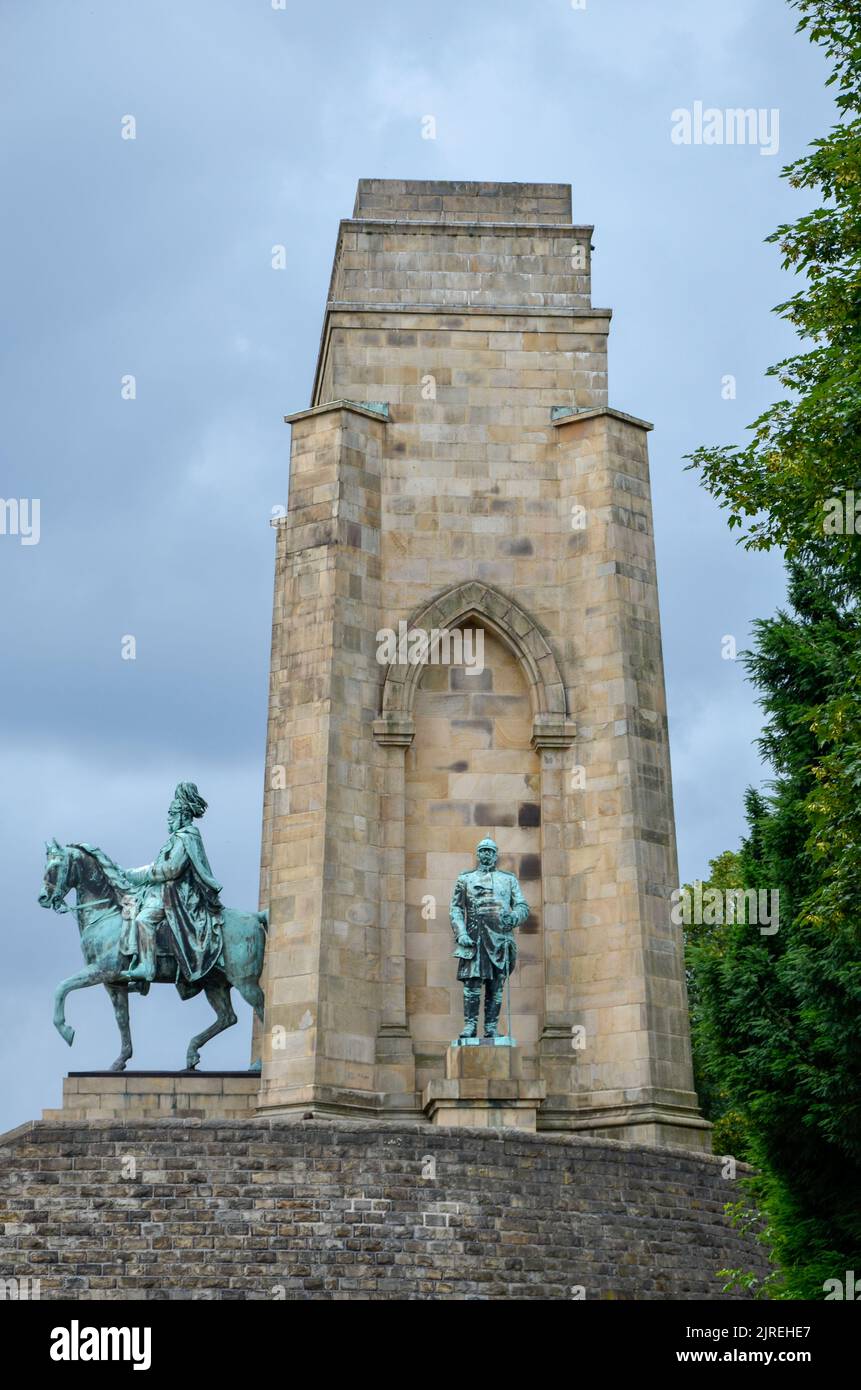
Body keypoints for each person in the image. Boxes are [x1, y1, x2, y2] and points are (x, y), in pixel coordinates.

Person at [120, 782, 224, 983]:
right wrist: (132, 874)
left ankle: (148, 967)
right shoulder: (177, 838)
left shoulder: (187, 837)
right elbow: (159, 865)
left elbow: (171, 869)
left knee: (144, 919)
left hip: (178, 894)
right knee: (128, 904)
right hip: (162, 890)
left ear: (183, 817)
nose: (168, 820)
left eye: (172, 815)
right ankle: (134, 960)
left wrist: (141, 875)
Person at [449, 837, 529, 1039]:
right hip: (474, 938)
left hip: (500, 939)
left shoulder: (508, 879)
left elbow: (522, 906)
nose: (486, 854)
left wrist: (514, 916)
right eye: (483, 850)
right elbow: (456, 909)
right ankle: (470, 1025)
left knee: (496, 986)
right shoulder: (465, 879)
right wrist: (462, 934)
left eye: (490, 851)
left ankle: (491, 1027)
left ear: (495, 855)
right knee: (472, 985)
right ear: (478, 854)